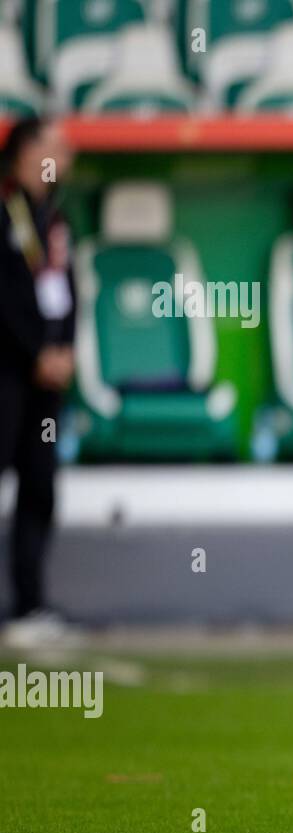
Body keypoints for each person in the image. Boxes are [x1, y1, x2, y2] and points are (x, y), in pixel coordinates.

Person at [0, 116, 77, 649]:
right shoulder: (4, 213)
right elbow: (4, 297)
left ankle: (28, 605)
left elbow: (68, 292)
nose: (66, 155)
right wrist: (33, 352)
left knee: (39, 485)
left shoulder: (55, 219)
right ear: (28, 152)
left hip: (46, 384)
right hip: (6, 374)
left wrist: (65, 350)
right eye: (56, 147)